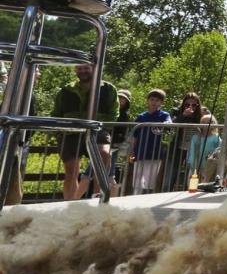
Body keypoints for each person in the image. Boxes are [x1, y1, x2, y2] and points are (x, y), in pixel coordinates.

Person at [51, 62, 118, 200]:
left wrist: (103, 126)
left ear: (93, 68)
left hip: (97, 130)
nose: (83, 71)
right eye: (79, 68)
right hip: (70, 132)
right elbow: (56, 113)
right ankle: (70, 203)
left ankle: (97, 196)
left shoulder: (108, 88)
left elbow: (114, 112)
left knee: (104, 155)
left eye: (86, 68)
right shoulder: (66, 90)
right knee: (71, 171)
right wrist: (58, 132)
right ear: (75, 70)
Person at [129, 89, 172, 194]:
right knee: (137, 179)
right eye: (152, 99)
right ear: (147, 101)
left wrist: (165, 124)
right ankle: (135, 199)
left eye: (157, 100)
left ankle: (146, 199)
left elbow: (169, 123)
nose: (154, 102)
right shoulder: (141, 117)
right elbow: (134, 135)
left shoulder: (164, 115)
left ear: (161, 102)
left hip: (155, 153)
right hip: (140, 152)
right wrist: (132, 150)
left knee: (150, 181)